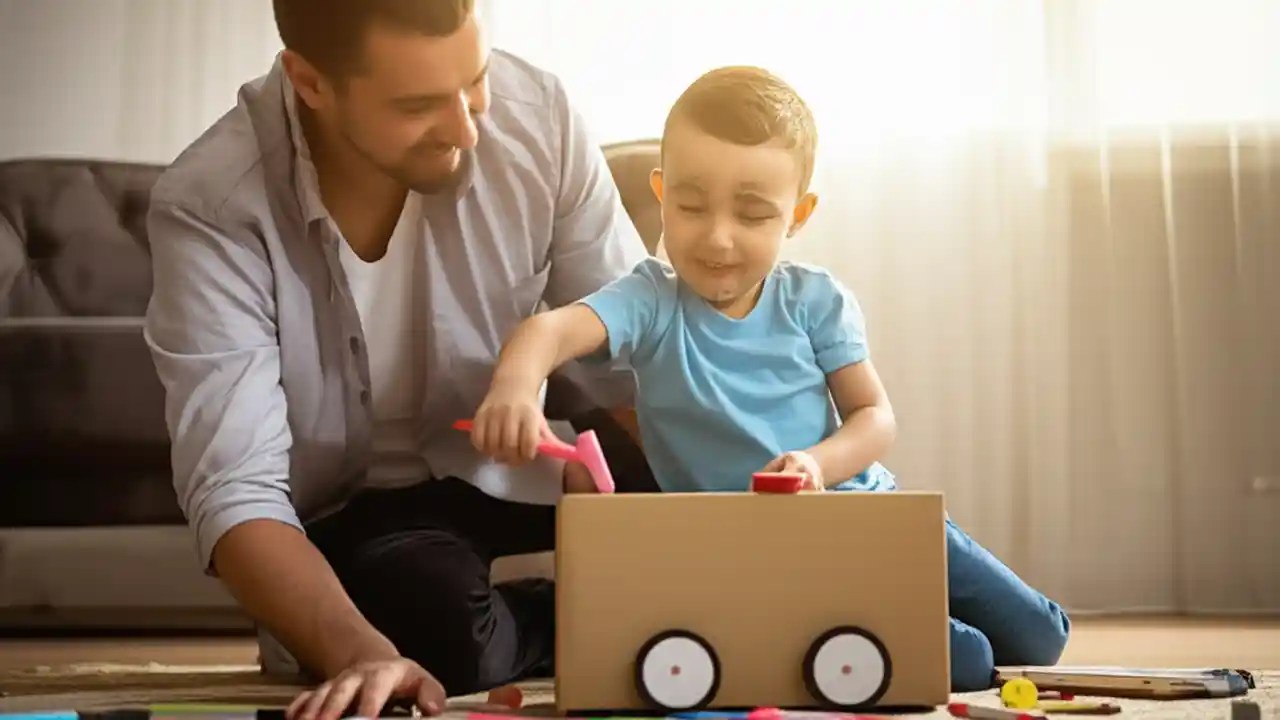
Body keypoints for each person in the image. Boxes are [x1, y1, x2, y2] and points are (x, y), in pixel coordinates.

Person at [467, 65, 1072, 693]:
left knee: (1042, 639)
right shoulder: (648, 300)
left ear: (798, 215)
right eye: (691, 205)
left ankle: (930, 609)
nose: (718, 237)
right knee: (967, 662)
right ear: (661, 191)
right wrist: (515, 386)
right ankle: (920, 623)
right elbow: (549, 331)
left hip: (872, 515)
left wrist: (815, 464)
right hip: (781, 558)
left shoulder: (815, 299)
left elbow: (874, 417)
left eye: (753, 214)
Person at [142, 1, 649, 719]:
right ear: (310, 83)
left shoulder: (540, 117)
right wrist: (363, 657)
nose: (467, 129)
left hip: (529, 468)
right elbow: (236, 490)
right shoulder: (212, 206)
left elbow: (636, 357)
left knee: (697, 467)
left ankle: (596, 594)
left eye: (474, 81)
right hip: (366, 521)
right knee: (437, 631)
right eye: (417, 105)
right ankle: (558, 612)